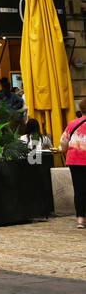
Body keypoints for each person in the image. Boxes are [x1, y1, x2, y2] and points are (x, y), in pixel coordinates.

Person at [59, 98, 86, 230]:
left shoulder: (72, 124)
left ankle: (80, 220)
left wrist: (65, 151)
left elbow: (63, 143)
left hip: (74, 160)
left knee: (79, 189)